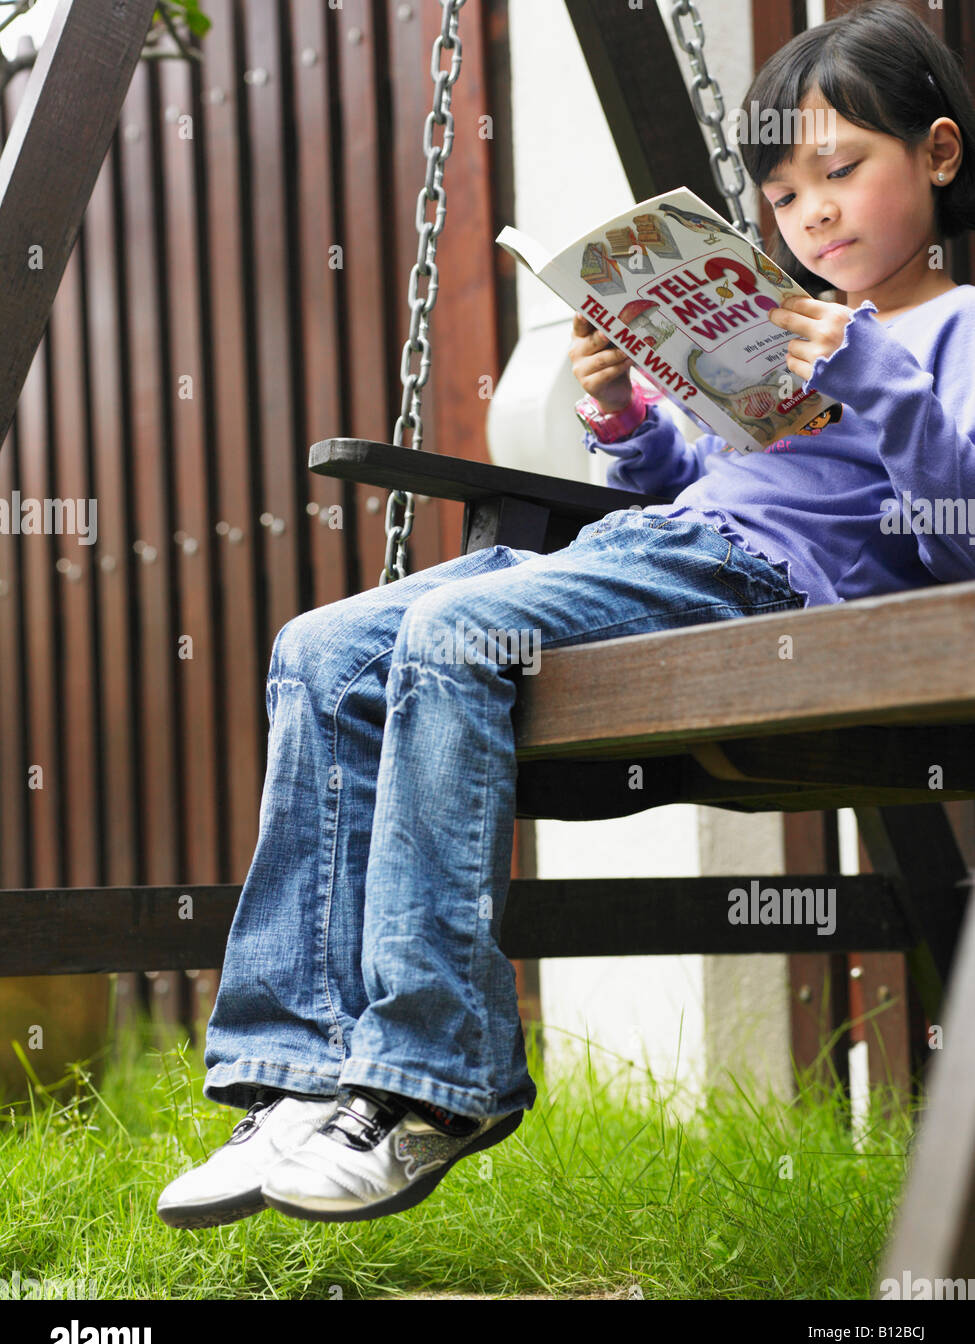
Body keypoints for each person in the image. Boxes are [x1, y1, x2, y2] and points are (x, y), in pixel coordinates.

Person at [157, 0, 975, 1229]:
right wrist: (626, 421)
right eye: (786, 197)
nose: (813, 214)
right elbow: (694, 492)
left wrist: (864, 367)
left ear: (941, 154)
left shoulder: (949, 331)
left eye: (843, 172)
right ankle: (293, 1072)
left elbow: (953, 521)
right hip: (669, 545)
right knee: (317, 648)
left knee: (452, 637)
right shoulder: (782, 328)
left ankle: (435, 1077)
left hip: (770, 594)